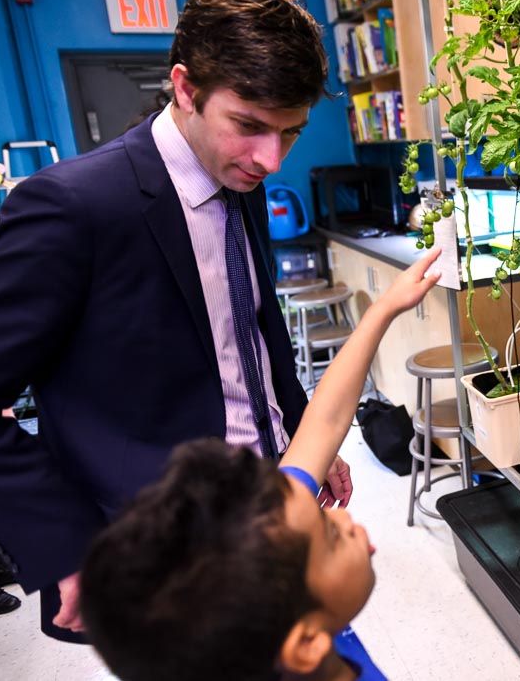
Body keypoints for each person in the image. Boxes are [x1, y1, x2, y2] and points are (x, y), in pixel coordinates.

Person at [0, 0, 346, 641]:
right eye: (250, 126)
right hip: (159, 550)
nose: (271, 159)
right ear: (184, 87)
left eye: (290, 133)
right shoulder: (74, 207)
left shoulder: (241, 178)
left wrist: (302, 427)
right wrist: (70, 547)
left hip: (268, 506)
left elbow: (251, 328)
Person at [80, 247, 443, 681]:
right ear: (305, 644)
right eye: (329, 535)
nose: (347, 522)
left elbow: (324, 422)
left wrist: (384, 309)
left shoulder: (277, 597)